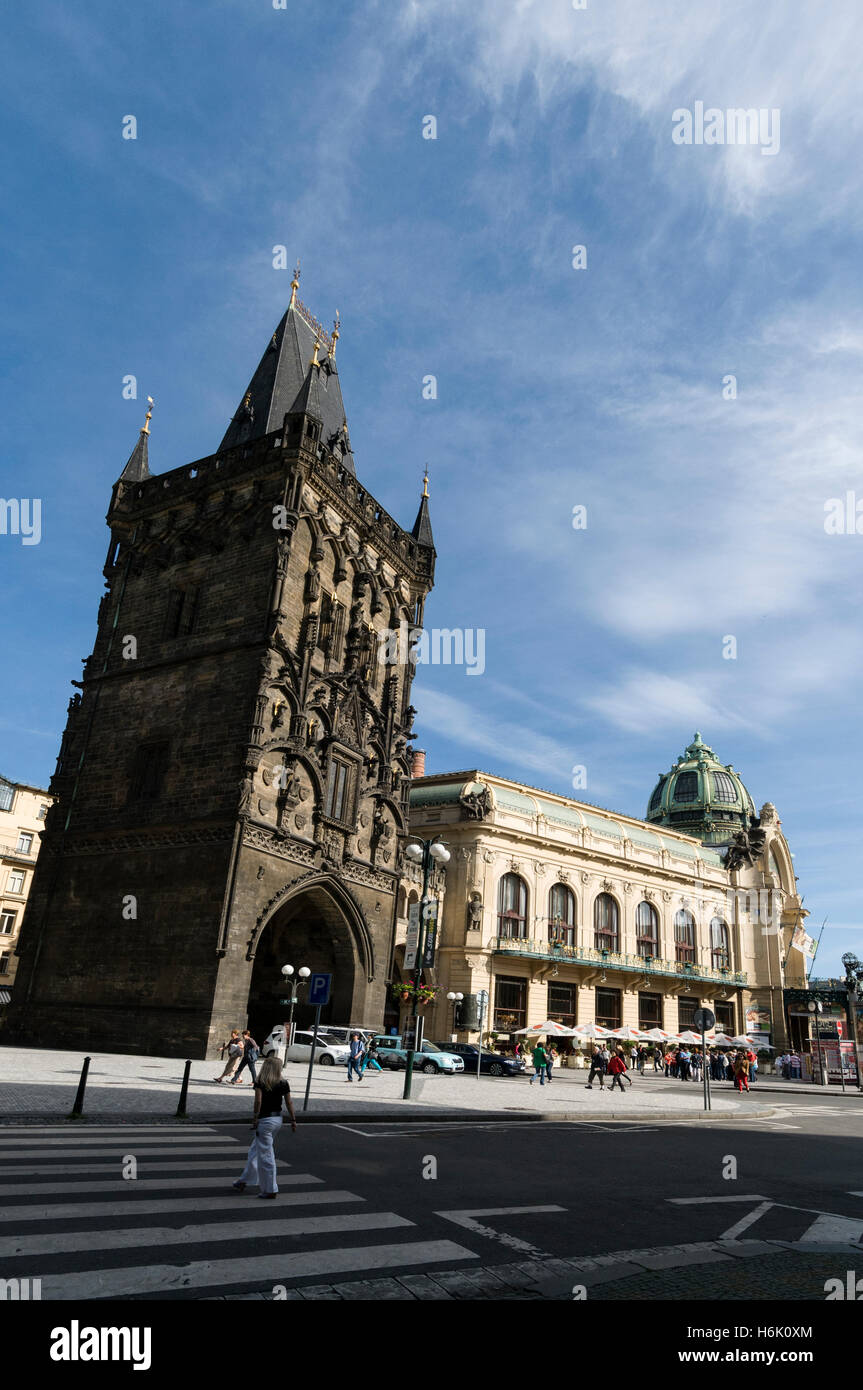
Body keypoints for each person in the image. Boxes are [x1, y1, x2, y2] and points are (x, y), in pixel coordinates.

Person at [232, 1054, 297, 1198]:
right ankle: (243, 1181)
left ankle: (270, 1189)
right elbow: (289, 1103)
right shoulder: (284, 1083)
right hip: (277, 1120)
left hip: (265, 1120)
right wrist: (293, 1120)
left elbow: (258, 1102)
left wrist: (255, 1117)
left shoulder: (260, 1081)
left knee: (266, 1155)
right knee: (255, 1151)